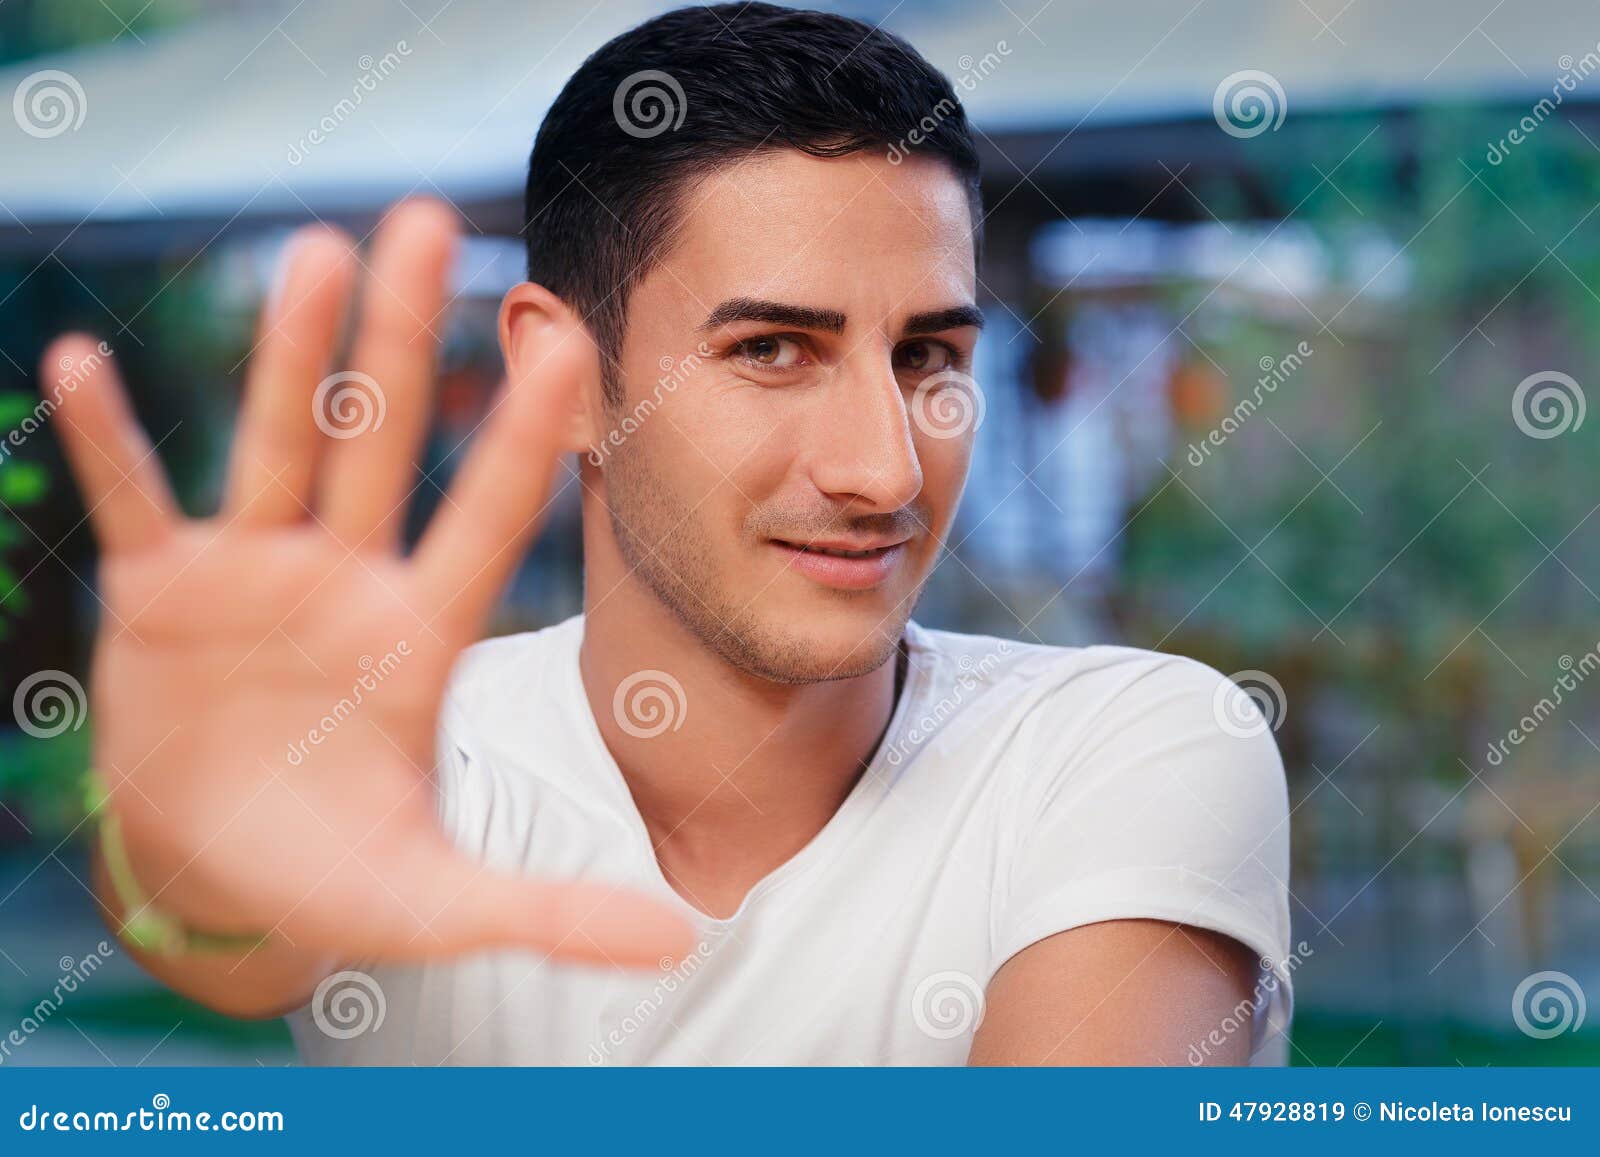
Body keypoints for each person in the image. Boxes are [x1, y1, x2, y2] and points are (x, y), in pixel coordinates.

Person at [45, 2, 1291, 1065]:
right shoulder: (412, 757)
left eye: (928, 355)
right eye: (769, 349)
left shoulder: (1123, 747)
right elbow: (218, 921)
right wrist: (190, 863)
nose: (883, 466)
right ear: (567, 375)